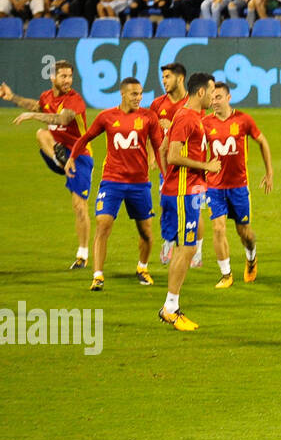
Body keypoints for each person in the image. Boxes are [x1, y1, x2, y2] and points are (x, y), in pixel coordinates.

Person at [64, 77, 163, 291]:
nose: (139, 98)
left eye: (140, 93)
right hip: (112, 181)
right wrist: (72, 157)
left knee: (146, 232)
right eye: (134, 94)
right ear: (123, 94)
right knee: (103, 224)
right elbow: (86, 137)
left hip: (139, 184)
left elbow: (159, 147)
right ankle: (98, 276)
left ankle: (142, 268)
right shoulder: (107, 117)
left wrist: (167, 175)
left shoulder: (148, 117)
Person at [0, 60, 92, 269]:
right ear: (53, 78)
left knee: (79, 206)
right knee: (41, 134)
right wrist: (12, 97)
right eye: (63, 76)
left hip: (79, 155)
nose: (68, 80)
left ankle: (83, 254)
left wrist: (32, 116)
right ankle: (59, 161)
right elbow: (37, 105)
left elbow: (63, 119)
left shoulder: (75, 100)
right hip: (58, 152)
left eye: (70, 76)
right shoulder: (47, 96)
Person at [158, 72, 220, 331]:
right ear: (201, 92)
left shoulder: (191, 117)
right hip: (184, 194)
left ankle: (171, 305)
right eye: (212, 91)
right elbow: (172, 155)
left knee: (188, 248)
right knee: (186, 248)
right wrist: (205, 165)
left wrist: (167, 182)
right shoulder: (186, 118)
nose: (215, 96)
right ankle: (170, 308)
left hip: (185, 191)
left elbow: (161, 150)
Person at [203, 81, 272, 288]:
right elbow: (196, 149)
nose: (214, 101)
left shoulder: (243, 120)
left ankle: (251, 257)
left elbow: (263, 141)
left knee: (245, 233)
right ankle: (226, 275)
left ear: (228, 98)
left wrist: (269, 172)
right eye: (212, 97)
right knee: (217, 228)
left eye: (218, 97)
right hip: (214, 187)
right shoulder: (205, 123)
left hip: (239, 187)